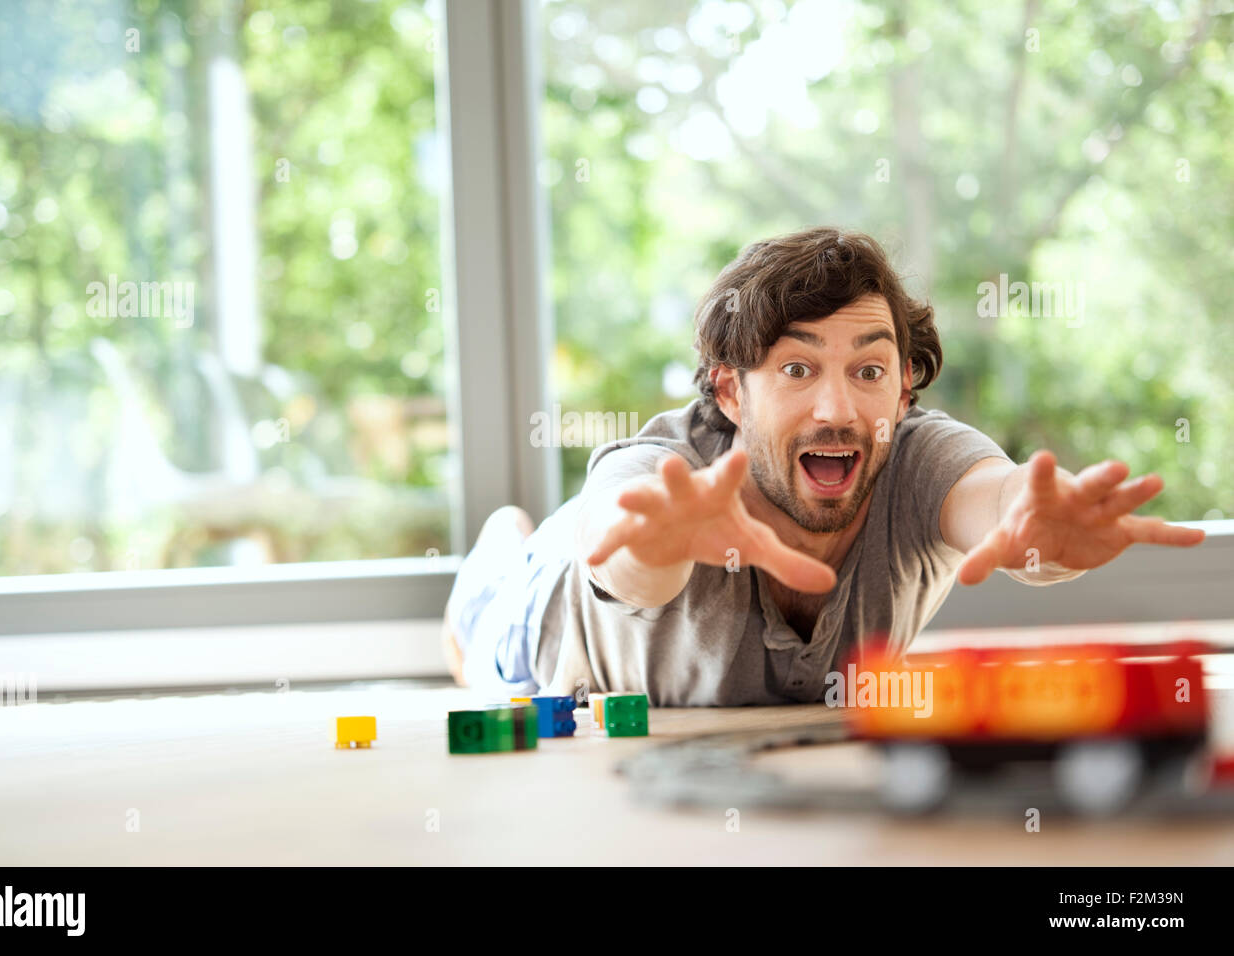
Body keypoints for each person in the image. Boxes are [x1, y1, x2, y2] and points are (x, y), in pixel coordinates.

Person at [440, 228, 1205, 706]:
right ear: (733, 391)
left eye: (869, 372)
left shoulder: (918, 459)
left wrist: (1038, 533)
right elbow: (629, 544)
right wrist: (659, 544)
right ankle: (502, 544)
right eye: (798, 370)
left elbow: (996, 497)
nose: (838, 410)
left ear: (904, 388)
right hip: (538, 622)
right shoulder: (663, 468)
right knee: (489, 622)